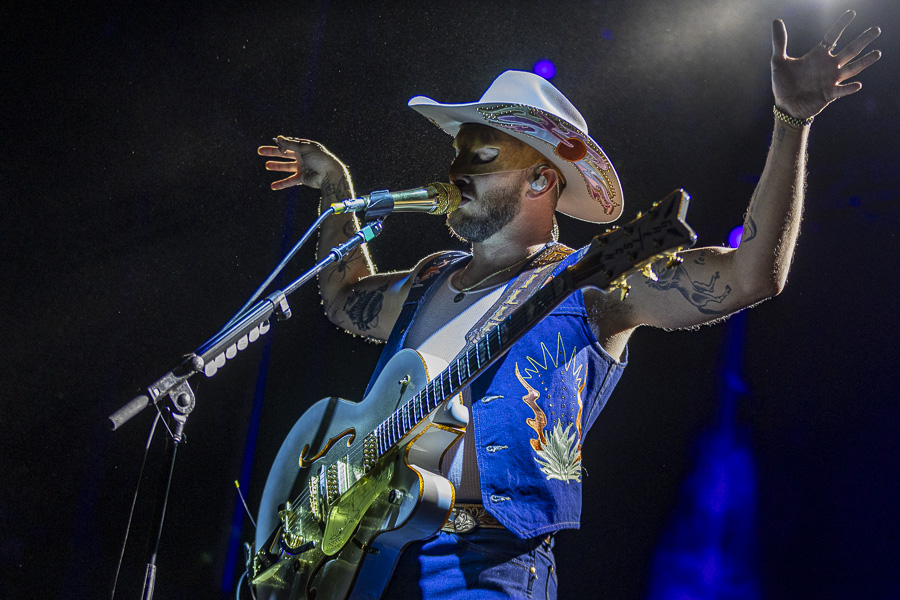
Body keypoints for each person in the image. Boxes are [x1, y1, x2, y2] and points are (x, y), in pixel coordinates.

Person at [256, 12, 880, 600]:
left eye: (481, 156)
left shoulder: (594, 287)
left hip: (484, 567)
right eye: (458, 155)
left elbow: (749, 276)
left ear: (539, 179)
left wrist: (791, 121)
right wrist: (337, 191)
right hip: (368, 559)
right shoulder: (430, 279)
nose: (457, 172)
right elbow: (341, 298)